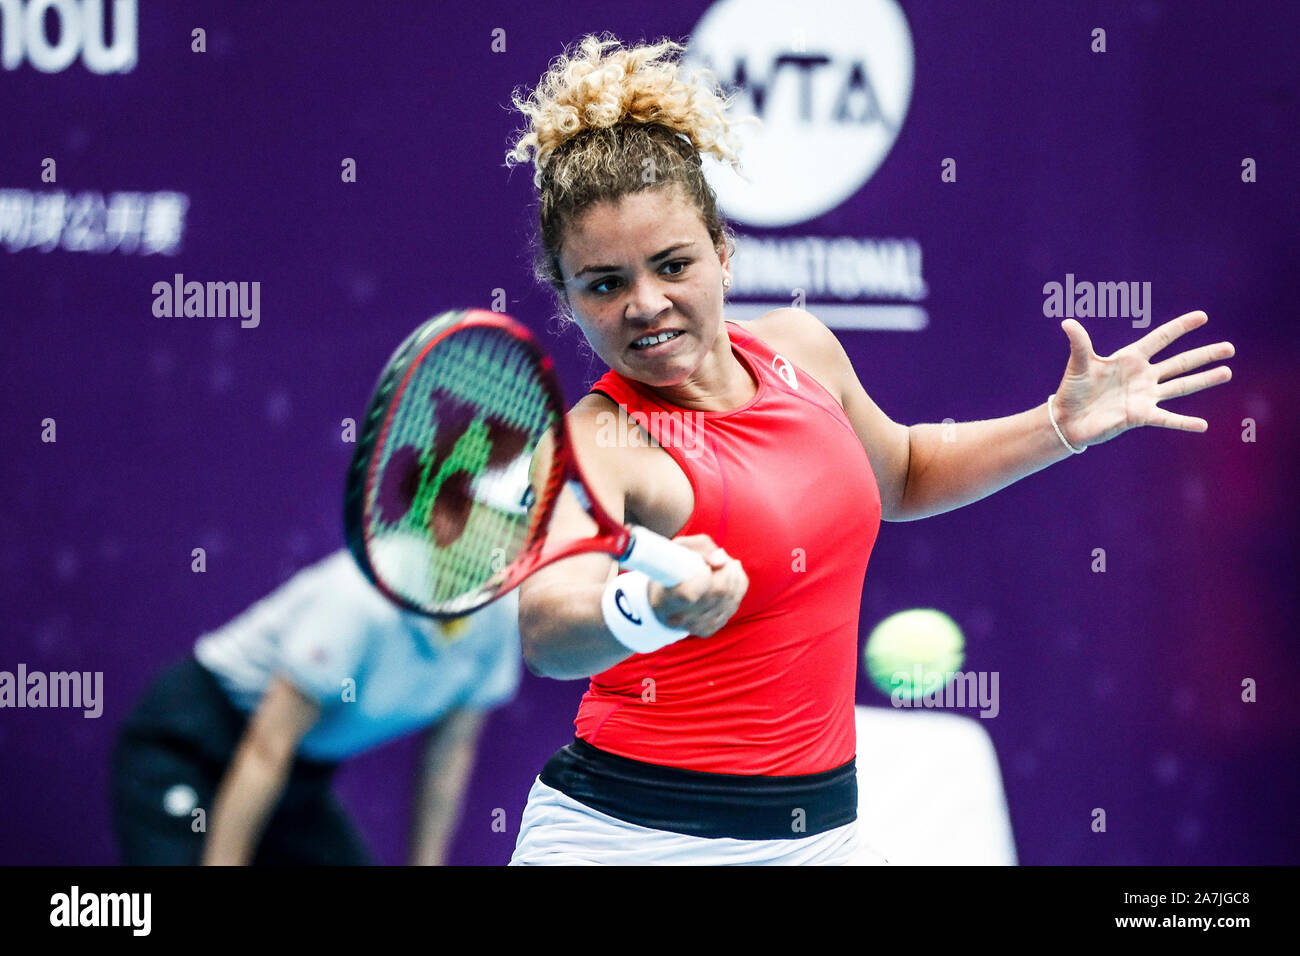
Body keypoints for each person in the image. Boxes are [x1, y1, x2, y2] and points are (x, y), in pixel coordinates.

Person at [501, 34, 1234, 865]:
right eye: (604, 284)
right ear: (566, 298)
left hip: (821, 837)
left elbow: (908, 472)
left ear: (722, 252)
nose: (646, 304)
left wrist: (1058, 424)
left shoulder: (802, 350)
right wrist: (645, 609)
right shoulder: (598, 439)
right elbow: (548, 623)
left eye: (673, 264)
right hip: (627, 840)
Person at [109, 549, 520, 865]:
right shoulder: (360, 597)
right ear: (443, 515)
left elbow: (447, 757)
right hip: (190, 748)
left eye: (524, 521)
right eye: (497, 517)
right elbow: (266, 747)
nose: (512, 537)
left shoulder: (500, 618)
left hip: (294, 780)